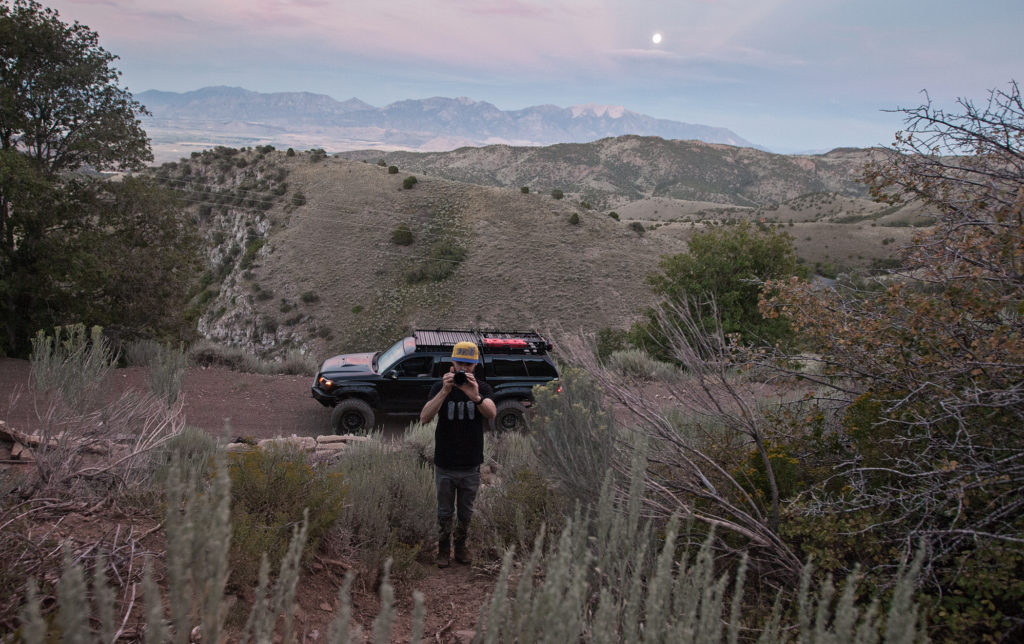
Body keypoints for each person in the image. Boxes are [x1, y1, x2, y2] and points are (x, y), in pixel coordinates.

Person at [419, 341, 496, 567]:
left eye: (469, 365)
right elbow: (424, 417)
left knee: (466, 512)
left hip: (471, 464)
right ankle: (444, 550)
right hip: (445, 463)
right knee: (444, 511)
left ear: (475, 366)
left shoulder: (482, 388)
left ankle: (461, 548)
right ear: (452, 363)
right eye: (460, 363)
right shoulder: (440, 387)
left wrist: (475, 395)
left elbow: (491, 413)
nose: (464, 369)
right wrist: (445, 391)